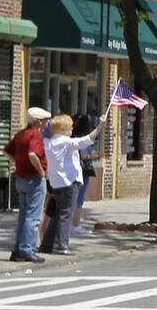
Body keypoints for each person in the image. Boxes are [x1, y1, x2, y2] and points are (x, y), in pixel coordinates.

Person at [41, 113, 102, 255]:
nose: (71, 129)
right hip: (69, 181)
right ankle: (61, 245)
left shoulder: (48, 142)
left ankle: (47, 244)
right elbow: (86, 140)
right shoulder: (65, 142)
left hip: (56, 182)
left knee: (57, 214)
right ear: (62, 128)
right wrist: (100, 126)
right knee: (66, 214)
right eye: (69, 127)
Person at [8, 107, 52, 264]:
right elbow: (33, 154)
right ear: (39, 122)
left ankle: (18, 250)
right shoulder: (36, 135)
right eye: (46, 120)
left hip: (21, 179)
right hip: (34, 179)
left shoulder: (21, 134)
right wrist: (40, 170)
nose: (47, 123)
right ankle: (27, 249)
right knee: (32, 217)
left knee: (23, 215)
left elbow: (7, 151)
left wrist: (18, 163)